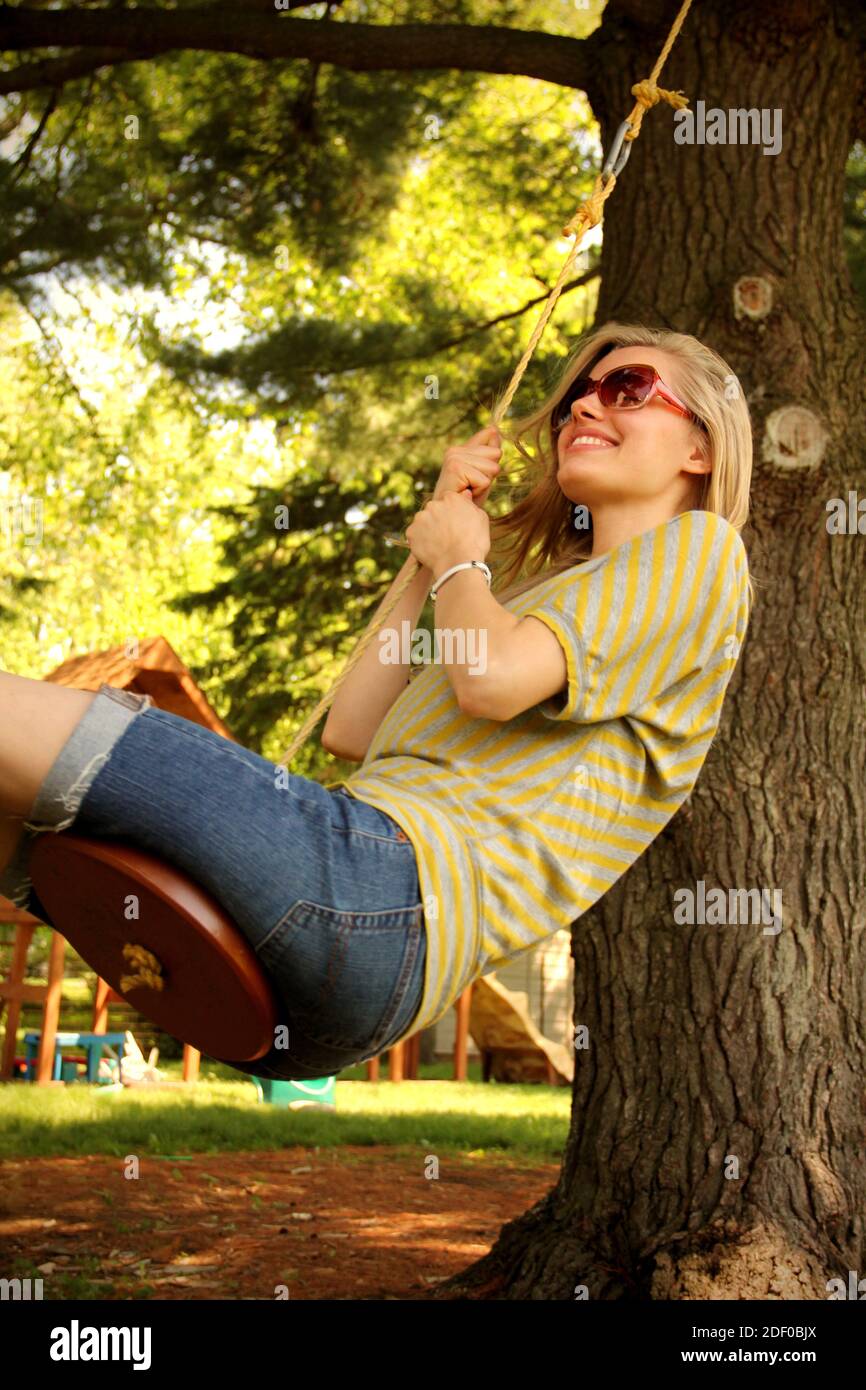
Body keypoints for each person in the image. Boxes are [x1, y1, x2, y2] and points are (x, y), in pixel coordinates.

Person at [0, 321, 753, 1080]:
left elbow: (492, 680)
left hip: (384, 890)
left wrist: (463, 558)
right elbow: (355, 728)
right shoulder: (533, 601)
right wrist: (431, 559)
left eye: (627, 388)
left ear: (702, 448)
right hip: (355, 984)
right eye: (576, 399)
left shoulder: (703, 552)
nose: (586, 407)